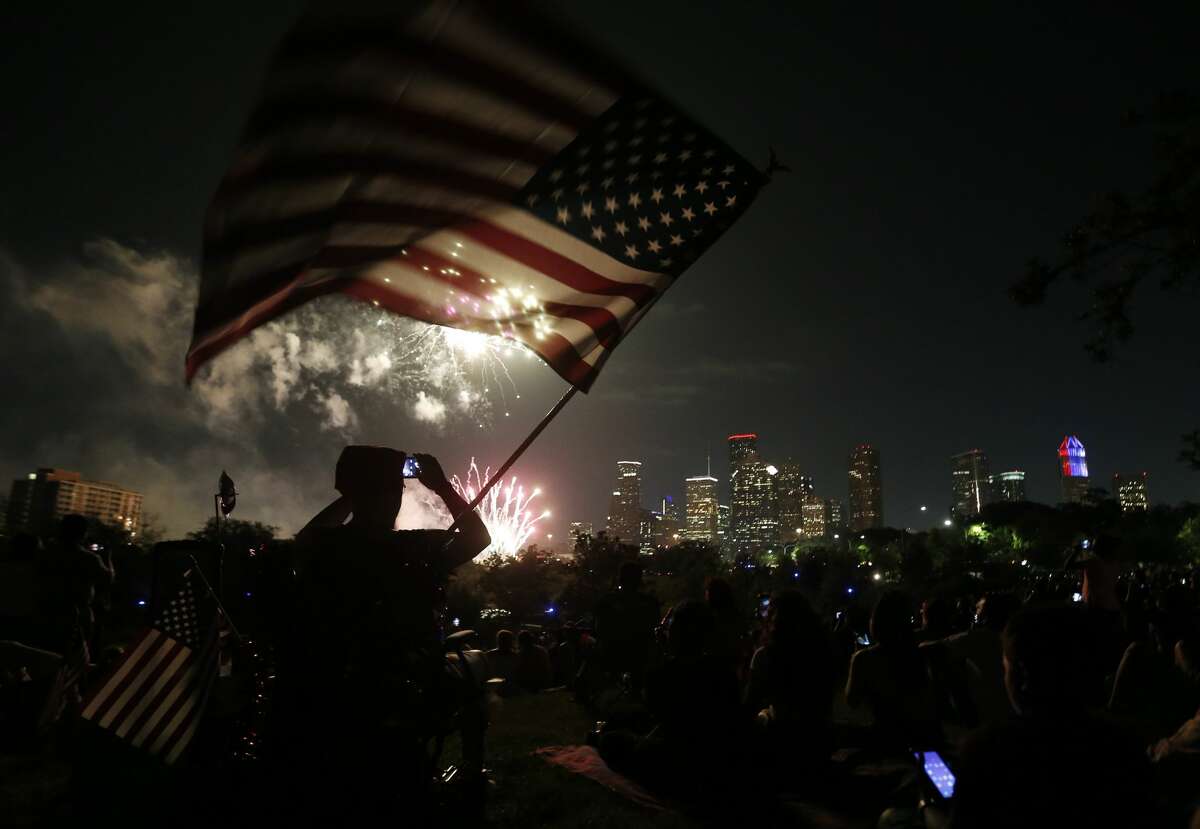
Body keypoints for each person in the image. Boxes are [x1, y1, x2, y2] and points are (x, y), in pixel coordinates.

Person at [279, 446, 491, 822]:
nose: (398, 496)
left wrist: (349, 495)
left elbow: (308, 537)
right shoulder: (412, 546)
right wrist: (442, 486)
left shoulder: (326, 547)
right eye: (393, 488)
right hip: (406, 683)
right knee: (473, 670)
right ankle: (473, 770)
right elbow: (478, 537)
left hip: (336, 682)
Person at [948, 604, 1158, 828]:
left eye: (1006, 667)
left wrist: (926, 807)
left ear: (1021, 675)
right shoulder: (1124, 745)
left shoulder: (987, 751)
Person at [744, 590, 834, 778]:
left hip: (780, 738)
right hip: (818, 737)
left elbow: (749, 704)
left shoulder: (765, 656)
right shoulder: (823, 653)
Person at [845, 590, 942, 749]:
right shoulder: (921, 653)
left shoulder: (864, 659)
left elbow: (852, 701)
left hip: (887, 737)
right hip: (925, 737)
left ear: (875, 621)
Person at [34, 515, 113, 660]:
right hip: (75, 616)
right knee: (74, 659)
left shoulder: (44, 554)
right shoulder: (89, 559)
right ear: (83, 533)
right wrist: (107, 556)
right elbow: (107, 579)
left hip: (44, 612)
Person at [942, 593, 1017, 725]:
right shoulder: (1024, 636)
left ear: (986, 614)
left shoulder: (975, 639)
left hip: (993, 717)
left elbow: (933, 647)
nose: (975, 611)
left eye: (978, 608)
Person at [593, 561, 660, 691]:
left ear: (620, 580)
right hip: (641, 655)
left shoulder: (607, 602)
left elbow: (599, 629)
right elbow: (653, 626)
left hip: (612, 654)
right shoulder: (650, 603)